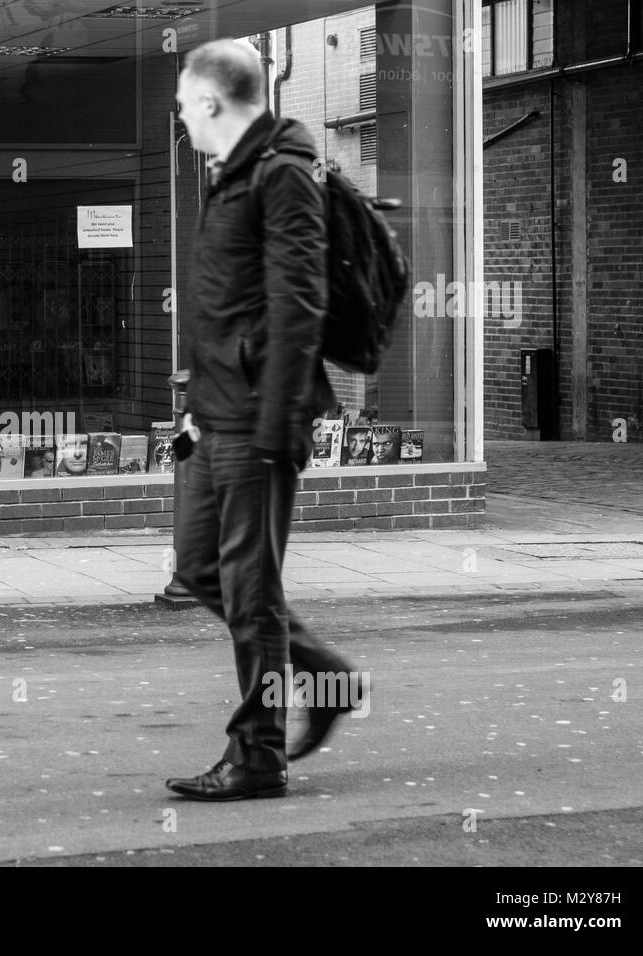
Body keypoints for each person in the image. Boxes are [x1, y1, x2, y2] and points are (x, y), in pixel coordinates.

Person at [166, 39, 367, 802]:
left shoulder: (283, 174)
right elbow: (228, 309)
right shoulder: (233, 174)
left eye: (184, 105)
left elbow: (300, 305)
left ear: (213, 103)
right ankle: (330, 677)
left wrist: (281, 425)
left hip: (256, 422)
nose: (181, 120)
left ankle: (257, 755)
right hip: (213, 416)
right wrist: (190, 414)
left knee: (251, 595)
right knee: (198, 570)